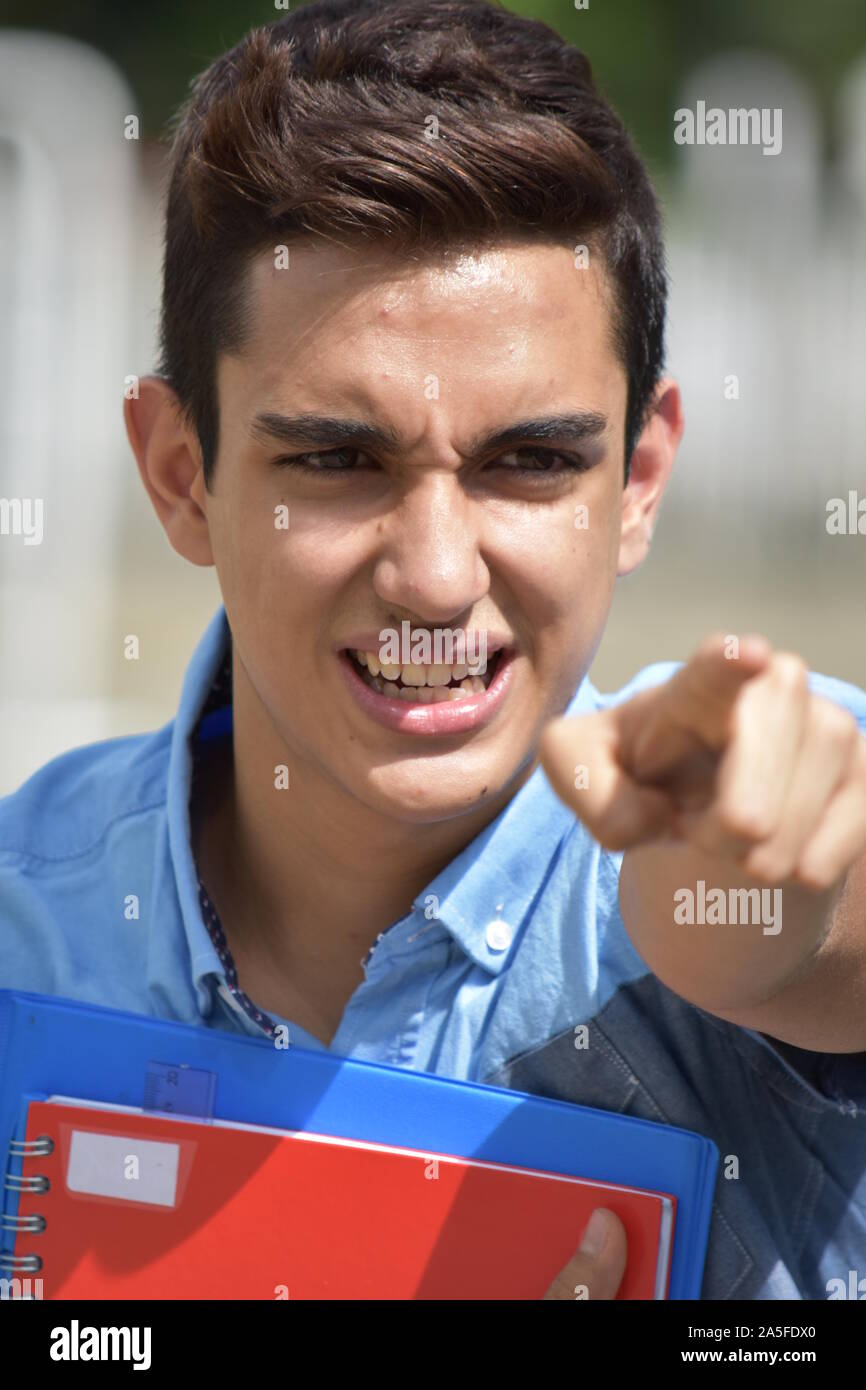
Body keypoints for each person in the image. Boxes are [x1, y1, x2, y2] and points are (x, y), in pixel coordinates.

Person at [2, 0, 865, 1300]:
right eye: (338, 460)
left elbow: (796, 909)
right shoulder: (28, 925)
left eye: (529, 461)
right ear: (182, 476)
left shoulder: (736, 810)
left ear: (637, 477)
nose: (436, 572)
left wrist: (751, 897)